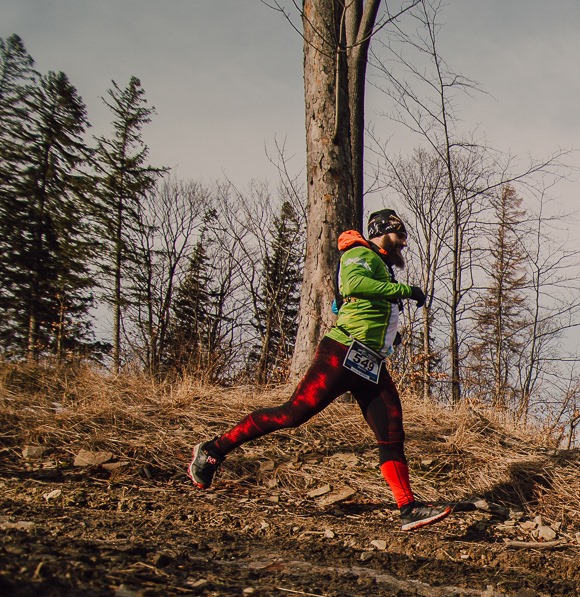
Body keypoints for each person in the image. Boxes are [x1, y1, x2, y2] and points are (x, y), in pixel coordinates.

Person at [188, 209, 452, 532]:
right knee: (292, 415)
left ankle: (408, 507)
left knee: (392, 427)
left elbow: (352, 300)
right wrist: (405, 291)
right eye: (401, 237)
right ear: (384, 230)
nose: (404, 245)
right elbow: (354, 282)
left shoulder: (381, 266)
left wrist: (389, 333)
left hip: (369, 363)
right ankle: (212, 451)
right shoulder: (359, 253)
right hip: (341, 353)